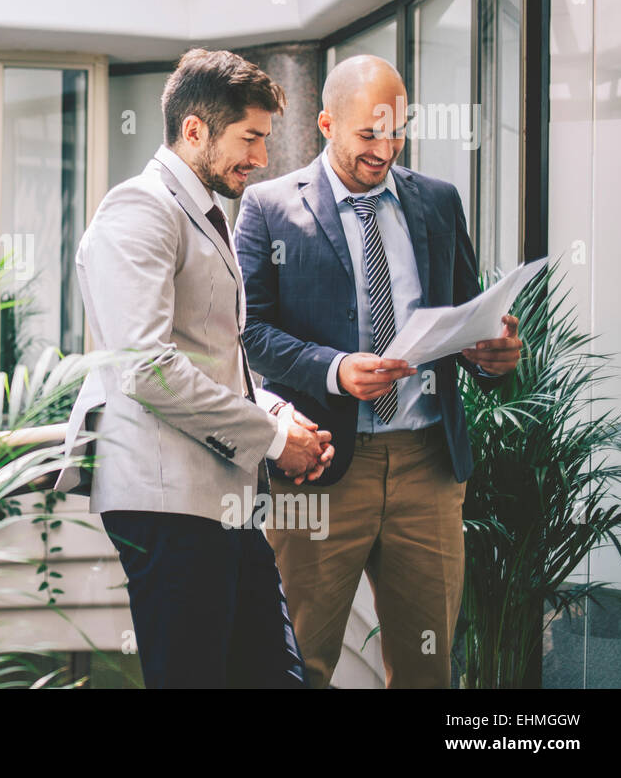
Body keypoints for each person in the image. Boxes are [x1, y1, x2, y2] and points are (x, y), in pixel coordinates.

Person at [233, 54, 523, 688]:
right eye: (369, 133)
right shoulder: (267, 207)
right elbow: (248, 334)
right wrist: (336, 370)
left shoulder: (439, 203)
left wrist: (493, 356)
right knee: (300, 663)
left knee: (427, 668)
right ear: (327, 123)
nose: (386, 148)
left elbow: (469, 319)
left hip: (428, 467)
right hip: (320, 467)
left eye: (398, 130)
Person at [57, 47, 333, 688]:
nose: (262, 158)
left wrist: (275, 414)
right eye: (251, 138)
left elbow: (205, 357)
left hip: (220, 504)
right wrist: (272, 439)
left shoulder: (200, 211)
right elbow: (147, 369)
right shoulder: (139, 208)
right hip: (167, 506)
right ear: (193, 130)